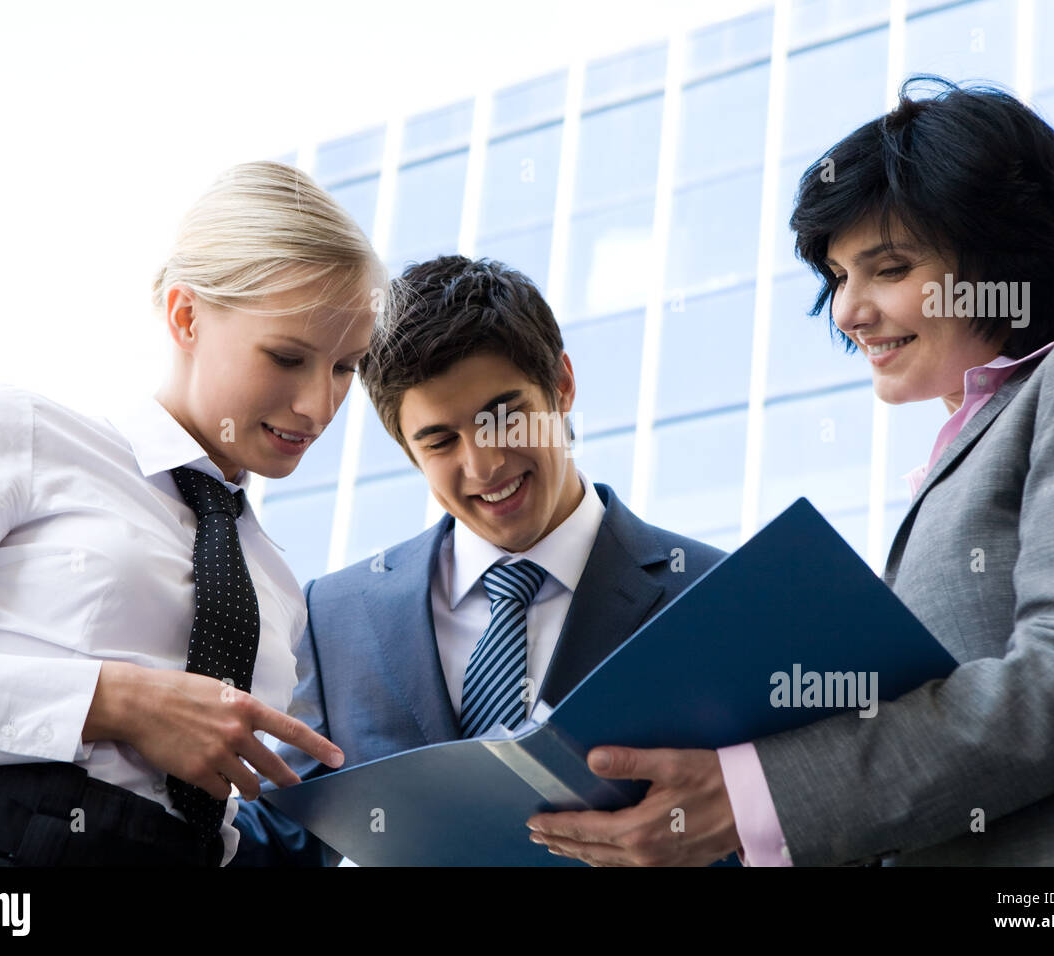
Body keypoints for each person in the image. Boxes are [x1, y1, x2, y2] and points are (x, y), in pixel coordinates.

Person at [526, 77, 1054, 865]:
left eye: (890, 268)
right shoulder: (954, 455)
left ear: (1007, 259)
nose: (847, 311)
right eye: (837, 277)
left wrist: (760, 795)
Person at [0, 160, 381, 866]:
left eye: (344, 367)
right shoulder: (24, 435)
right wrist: (113, 699)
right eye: (288, 356)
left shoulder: (275, 583)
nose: (318, 407)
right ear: (186, 316)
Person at [231, 255, 728, 865]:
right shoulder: (334, 617)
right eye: (440, 440)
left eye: (505, 416)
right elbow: (288, 838)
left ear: (563, 384)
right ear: (405, 448)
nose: (485, 465)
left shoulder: (715, 595)